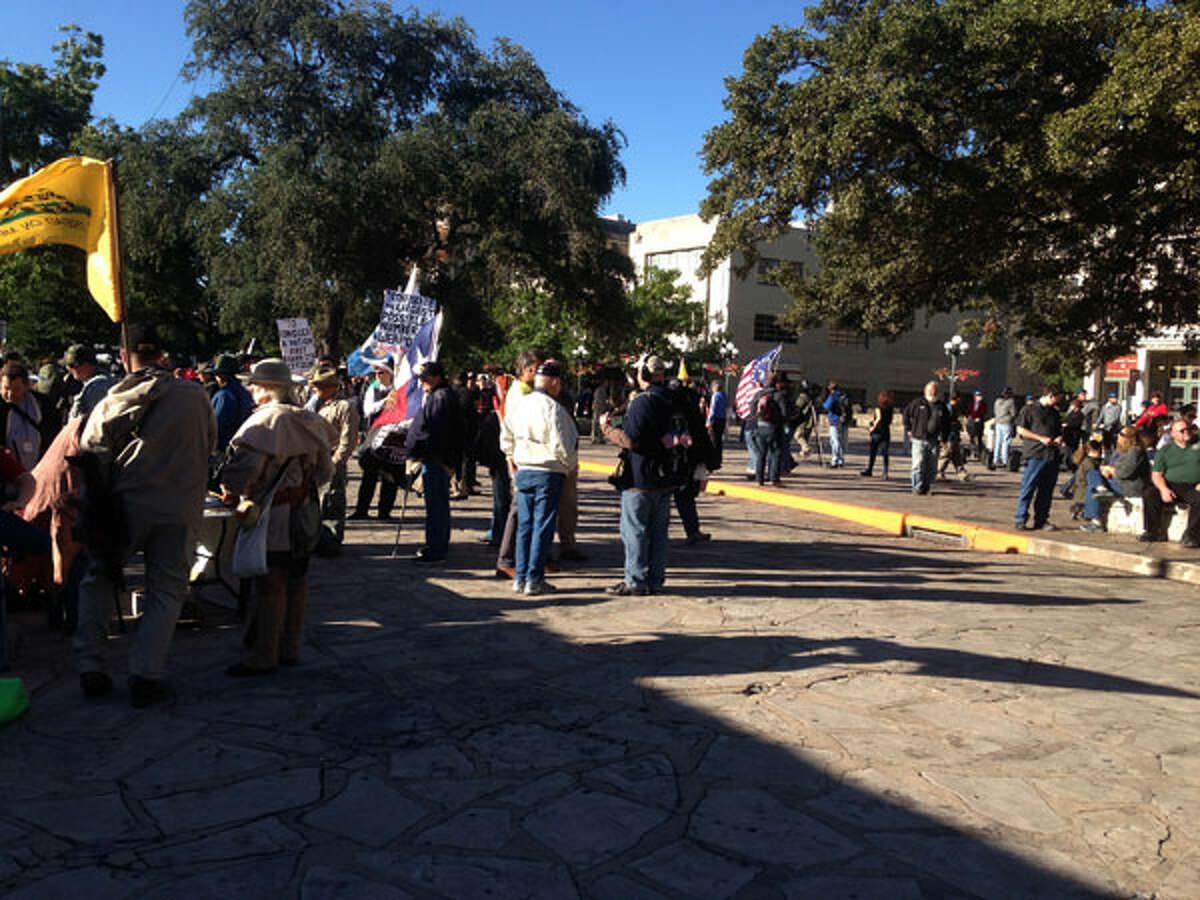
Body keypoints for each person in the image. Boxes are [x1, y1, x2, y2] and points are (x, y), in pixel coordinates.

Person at [73, 325, 217, 707]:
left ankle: (91, 665)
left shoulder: (113, 398)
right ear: (162, 355)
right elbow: (210, 444)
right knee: (167, 591)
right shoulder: (195, 395)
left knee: (99, 580)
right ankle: (146, 673)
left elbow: (91, 451)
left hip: (124, 508)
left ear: (124, 357)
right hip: (179, 507)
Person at [220, 358, 333, 675]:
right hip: (304, 513)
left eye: (254, 383)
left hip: (274, 516)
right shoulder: (310, 421)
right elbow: (325, 471)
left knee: (270, 586)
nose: (250, 388)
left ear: (268, 388)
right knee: (297, 582)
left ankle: (264, 655)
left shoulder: (264, 423)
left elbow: (241, 475)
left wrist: (237, 492)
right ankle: (290, 648)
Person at [500, 360, 578, 595]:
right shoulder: (553, 408)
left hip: (524, 470)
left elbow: (506, 438)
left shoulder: (521, 405)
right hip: (548, 471)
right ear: (554, 382)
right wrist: (569, 465)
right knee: (542, 527)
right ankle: (534, 578)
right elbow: (563, 445)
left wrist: (514, 460)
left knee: (525, 525)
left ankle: (521, 577)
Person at [601, 354, 675, 596]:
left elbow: (631, 440)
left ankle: (635, 580)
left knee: (635, 531)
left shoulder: (643, 401)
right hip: (665, 476)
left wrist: (608, 429)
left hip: (641, 477)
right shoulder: (671, 398)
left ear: (643, 374)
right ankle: (655, 579)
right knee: (659, 533)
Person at [404, 360, 465, 565]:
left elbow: (431, 430)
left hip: (436, 458)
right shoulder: (441, 395)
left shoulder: (440, 397)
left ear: (437, 377)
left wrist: (416, 449)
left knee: (436, 506)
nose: (422, 383)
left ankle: (436, 548)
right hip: (438, 457)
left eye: (426, 379)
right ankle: (438, 544)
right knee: (438, 505)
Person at [495, 350, 546, 577]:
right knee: (518, 511)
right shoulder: (520, 393)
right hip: (522, 457)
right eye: (531, 370)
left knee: (531, 511)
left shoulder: (531, 391)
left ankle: (536, 556)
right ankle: (506, 559)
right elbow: (512, 428)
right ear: (522, 370)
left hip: (531, 457)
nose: (535, 374)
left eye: (538, 369)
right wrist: (511, 458)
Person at [306, 363, 359, 552]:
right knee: (318, 502)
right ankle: (320, 538)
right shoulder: (317, 405)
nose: (315, 389)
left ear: (331, 388)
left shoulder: (345, 407)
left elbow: (348, 439)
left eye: (319, 386)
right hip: (317, 459)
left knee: (332, 501)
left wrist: (337, 461)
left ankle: (332, 541)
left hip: (332, 459)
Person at [350, 357, 399, 519]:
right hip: (375, 434)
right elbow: (367, 410)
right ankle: (361, 510)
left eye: (381, 372)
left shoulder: (398, 388)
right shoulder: (373, 388)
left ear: (389, 373)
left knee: (390, 476)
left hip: (392, 435)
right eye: (376, 372)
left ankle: (384, 511)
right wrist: (385, 401)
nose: (377, 375)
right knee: (369, 475)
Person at [1140, 418, 1200, 547]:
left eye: (1188, 429)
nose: (1186, 432)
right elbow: (1156, 474)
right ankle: (1153, 531)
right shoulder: (1165, 451)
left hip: (1192, 486)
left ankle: (1191, 535)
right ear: (1173, 434)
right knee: (1150, 493)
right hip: (1170, 484)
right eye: (1182, 430)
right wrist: (1163, 489)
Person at [1013, 385, 1064, 531]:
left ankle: (1041, 519)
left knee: (1046, 490)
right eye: (1057, 399)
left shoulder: (1054, 413)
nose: (1057, 402)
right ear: (1050, 395)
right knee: (1028, 487)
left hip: (1052, 455)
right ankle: (1021, 518)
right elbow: (1021, 430)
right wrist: (1040, 438)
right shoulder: (1029, 410)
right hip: (1035, 454)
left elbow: (1058, 430)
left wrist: (1059, 438)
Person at [902, 381, 950, 495]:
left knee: (931, 466)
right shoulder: (918, 403)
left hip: (934, 440)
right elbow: (906, 414)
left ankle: (927, 487)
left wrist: (944, 438)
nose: (933, 392)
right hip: (919, 438)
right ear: (925, 391)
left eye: (935, 390)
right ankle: (917, 487)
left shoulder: (941, 406)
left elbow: (947, 423)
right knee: (918, 464)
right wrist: (909, 429)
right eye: (930, 390)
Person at [0, 362, 44, 470]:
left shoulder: (40, 405)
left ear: (26, 386)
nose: (10, 395)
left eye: (16, 389)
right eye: (6, 388)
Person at [210, 354, 255, 453]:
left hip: (225, 447)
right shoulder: (245, 392)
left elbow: (217, 425)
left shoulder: (224, 395)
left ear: (220, 376)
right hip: (244, 445)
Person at [63, 344, 115, 423]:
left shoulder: (97, 386)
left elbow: (92, 422)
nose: (69, 369)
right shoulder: (100, 382)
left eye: (72, 365)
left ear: (86, 364)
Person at [860, 390, 893, 478]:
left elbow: (878, 418)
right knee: (885, 453)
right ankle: (885, 472)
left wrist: (872, 428)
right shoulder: (890, 408)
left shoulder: (879, 407)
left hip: (877, 432)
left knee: (873, 452)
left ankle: (870, 469)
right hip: (886, 431)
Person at [823, 381, 847, 468]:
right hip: (842, 420)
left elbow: (826, 406)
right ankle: (840, 459)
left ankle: (834, 460)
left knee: (834, 441)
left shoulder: (832, 396)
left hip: (834, 419)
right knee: (840, 440)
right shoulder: (843, 396)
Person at [992, 387, 1016, 469]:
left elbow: (995, 412)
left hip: (998, 422)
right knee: (1006, 442)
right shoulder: (1011, 402)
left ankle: (995, 459)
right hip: (1006, 423)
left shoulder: (997, 401)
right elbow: (1013, 413)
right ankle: (1005, 460)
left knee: (998, 441)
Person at [706, 379, 727, 470]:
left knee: (713, 440)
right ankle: (718, 460)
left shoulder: (715, 396)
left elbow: (713, 409)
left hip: (715, 420)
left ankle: (714, 461)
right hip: (722, 419)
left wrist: (708, 421)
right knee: (719, 441)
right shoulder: (724, 395)